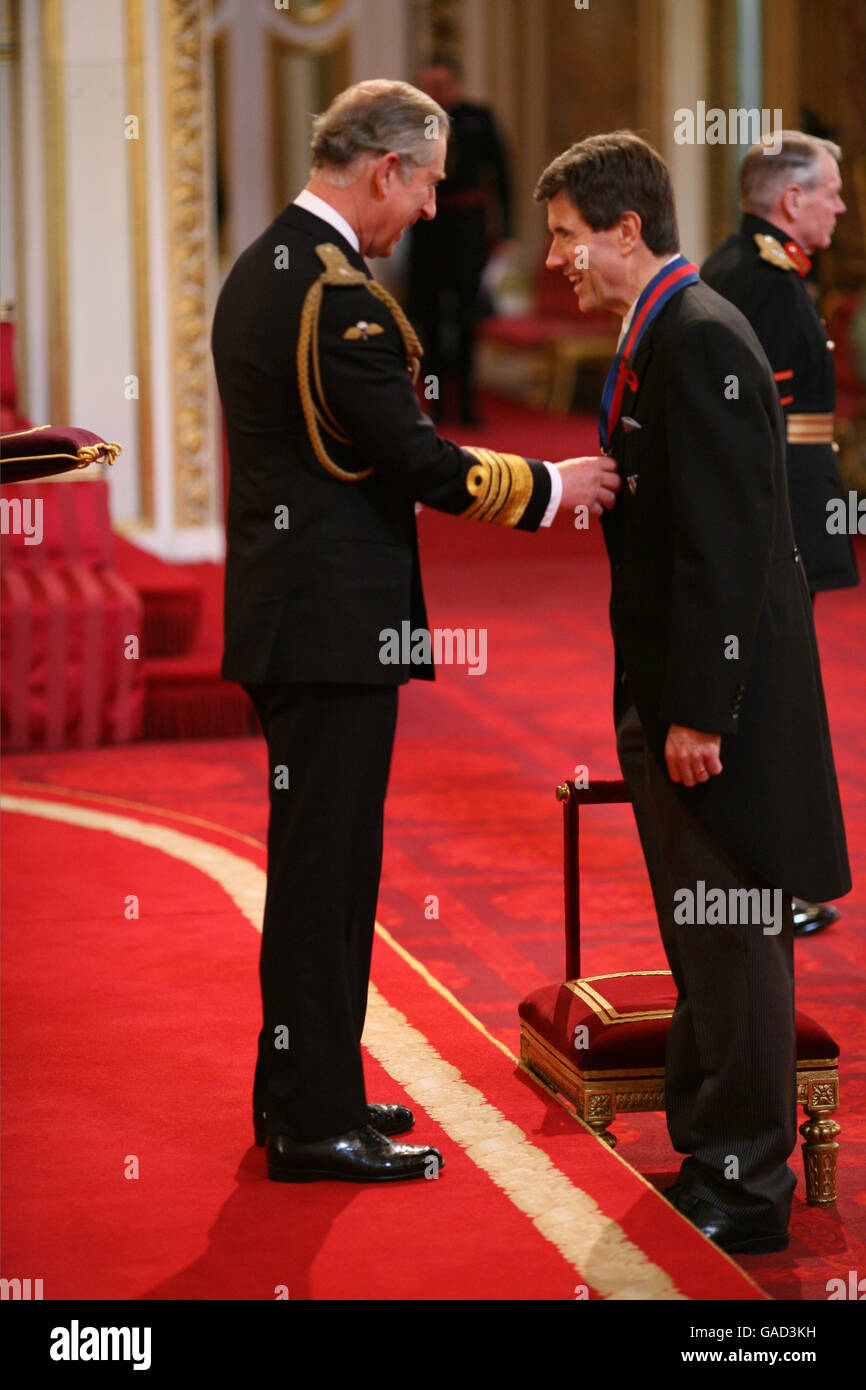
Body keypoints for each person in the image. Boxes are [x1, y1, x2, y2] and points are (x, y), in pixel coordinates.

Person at [211, 80, 619, 1184]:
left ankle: (314, 1090)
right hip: (328, 630)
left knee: (329, 873)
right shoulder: (335, 297)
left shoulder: (273, 265)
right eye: (430, 183)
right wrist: (553, 485)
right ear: (384, 168)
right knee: (322, 878)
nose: (435, 209)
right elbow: (422, 462)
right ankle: (307, 1122)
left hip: (303, 617)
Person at [535, 131, 851, 1252]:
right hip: (673, 690)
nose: (554, 258)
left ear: (627, 230)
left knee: (735, 937)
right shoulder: (665, 327)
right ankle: (711, 1152)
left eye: (568, 236)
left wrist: (695, 715)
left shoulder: (700, 332)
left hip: (716, 711)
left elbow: (727, 547)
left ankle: (748, 1187)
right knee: (700, 938)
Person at [702, 131, 858, 937]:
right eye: (829, 190)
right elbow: (742, 432)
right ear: (790, 201)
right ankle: (762, 892)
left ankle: (771, 886)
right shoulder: (760, 282)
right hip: (774, 529)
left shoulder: (767, 271)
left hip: (787, 523)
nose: (840, 203)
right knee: (766, 710)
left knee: (778, 706)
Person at [407, 57, 512, 425]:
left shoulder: (478, 117)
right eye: (428, 83)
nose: (436, 91)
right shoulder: (411, 122)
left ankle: (468, 405)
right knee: (430, 321)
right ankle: (435, 403)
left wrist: (507, 232)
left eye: (442, 83)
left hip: (468, 227)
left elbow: (502, 175)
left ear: (456, 84)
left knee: (468, 319)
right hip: (426, 227)